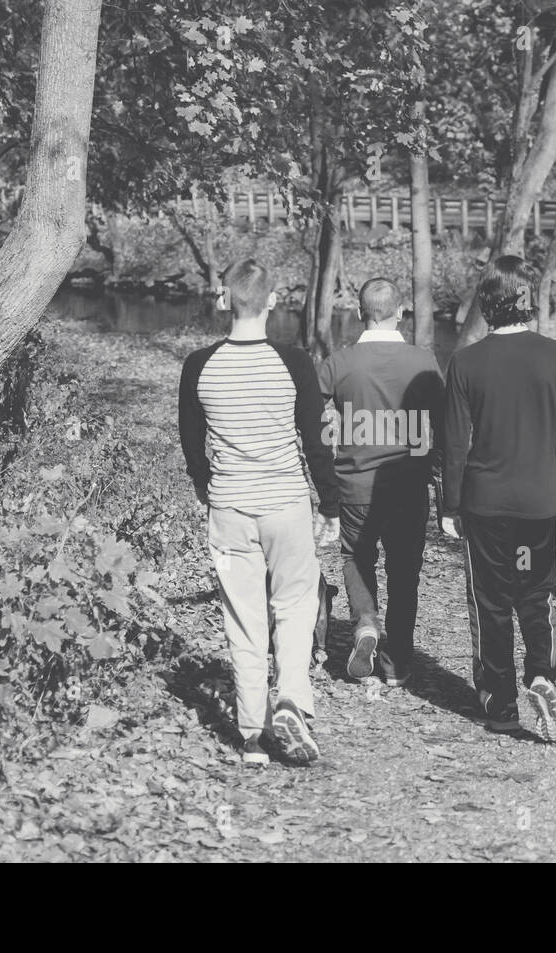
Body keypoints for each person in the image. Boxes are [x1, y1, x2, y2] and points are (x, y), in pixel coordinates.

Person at [178, 258, 340, 766]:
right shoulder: (293, 363)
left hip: (229, 507)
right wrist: (330, 504)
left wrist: (207, 487)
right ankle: (291, 698)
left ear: (226, 300)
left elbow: (190, 442)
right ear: (272, 301)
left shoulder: (198, 365)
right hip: (286, 505)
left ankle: (251, 735)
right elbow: (316, 442)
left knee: (242, 613)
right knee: (294, 604)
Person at [440, 256, 556, 743]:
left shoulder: (466, 361)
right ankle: (542, 674)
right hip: (539, 500)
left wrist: (449, 506)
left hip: (485, 503)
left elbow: (454, 443)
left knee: (491, 603)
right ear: (529, 301)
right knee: (536, 594)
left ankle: (500, 704)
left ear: (485, 305)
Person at [317, 278, 444, 686]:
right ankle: (397, 663)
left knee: (357, 558)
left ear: (358, 314)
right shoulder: (424, 362)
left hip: (354, 483)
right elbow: (442, 426)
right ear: (400, 312)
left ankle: (365, 622)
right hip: (408, 487)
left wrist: (328, 436)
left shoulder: (340, 362)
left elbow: (306, 409)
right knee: (405, 572)